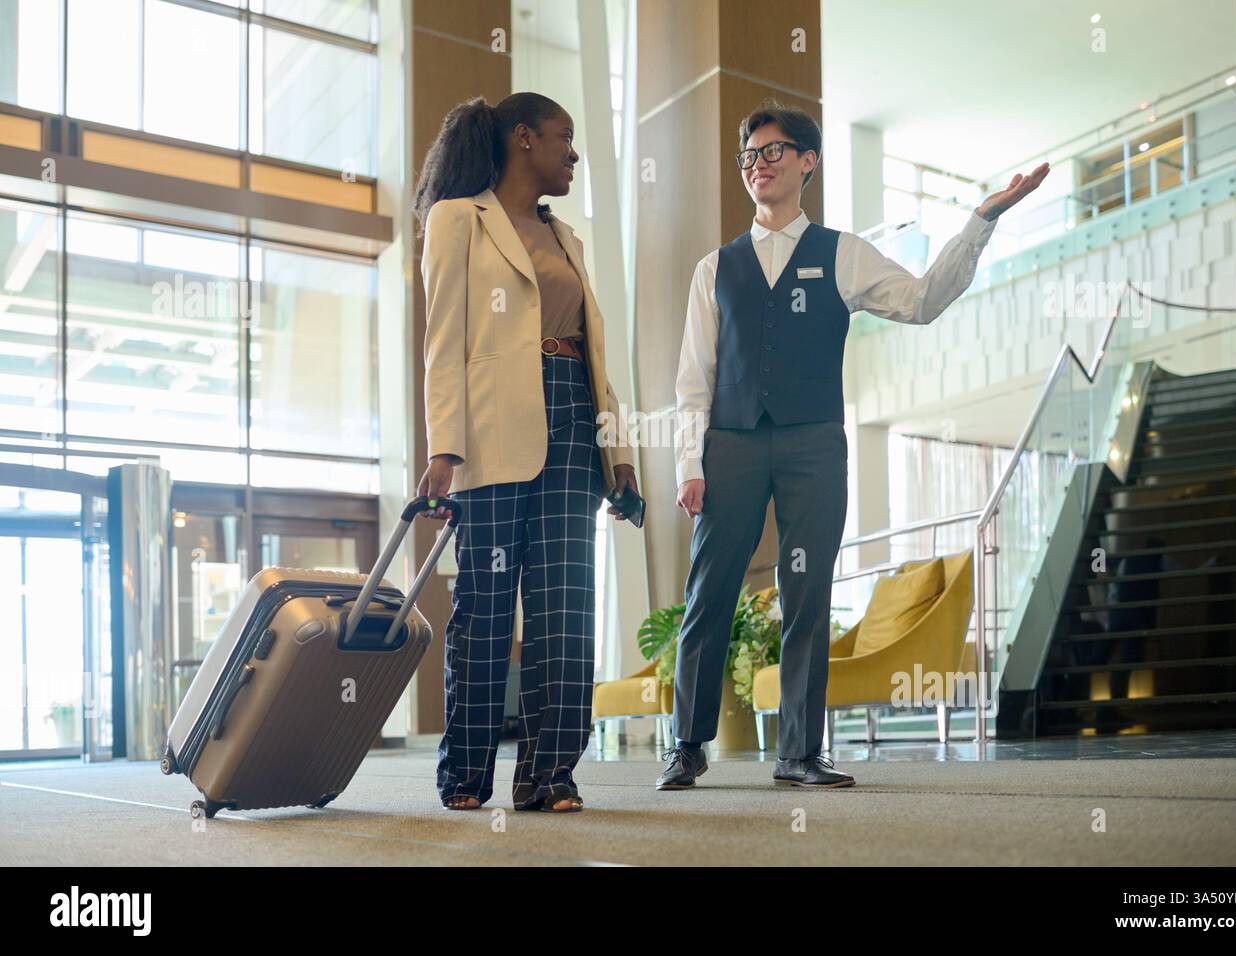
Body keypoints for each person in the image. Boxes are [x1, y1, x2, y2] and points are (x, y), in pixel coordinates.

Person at [659, 100, 1048, 790]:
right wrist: (690, 463)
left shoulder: (841, 252)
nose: (759, 165)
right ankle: (687, 745)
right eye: (749, 156)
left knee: (807, 591)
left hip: (813, 444)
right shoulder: (713, 269)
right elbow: (695, 380)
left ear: (807, 161)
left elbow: (924, 300)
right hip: (733, 444)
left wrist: (980, 224)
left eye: (773, 151)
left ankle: (801, 754)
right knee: (708, 593)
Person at [414, 92, 640, 813]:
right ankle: (467, 775)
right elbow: (443, 343)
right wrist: (444, 448)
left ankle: (550, 775)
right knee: (484, 609)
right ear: (522, 139)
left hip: (575, 418)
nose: (573, 154)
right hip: (491, 431)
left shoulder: (566, 237)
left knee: (567, 608)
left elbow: (597, 354)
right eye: (562, 138)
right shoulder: (458, 219)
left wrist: (620, 449)